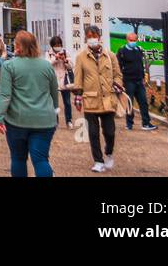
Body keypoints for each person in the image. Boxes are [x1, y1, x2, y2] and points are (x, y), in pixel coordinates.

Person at [0, 30, 59, 177]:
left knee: (18, 159)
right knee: (41, 160)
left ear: (19, 46)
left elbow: (5, 94)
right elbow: (54, 93)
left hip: (17, 120)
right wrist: (55, 112)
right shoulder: (47, 66)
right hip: (44, 121)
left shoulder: (9, 66)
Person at [70, 24, 122, 173]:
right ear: (85, 38)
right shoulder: (81, 57)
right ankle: (98, 161)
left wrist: (117, 84)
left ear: (99, 37)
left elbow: (118, 74)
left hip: (108, 99)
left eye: (94, 36)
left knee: (110, 132)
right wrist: (78, 96)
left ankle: (109, 153)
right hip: (90, 99)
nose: (92, 39)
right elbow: (78, 78)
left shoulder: (110, 55)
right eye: (89, 37)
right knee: (93, 133)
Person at [115, 32, 157, 132]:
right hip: (128, 81)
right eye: (131, 40)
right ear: (127, 40)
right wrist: (120, 81)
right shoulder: (122, 51)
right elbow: (118, 67)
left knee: (143, 102)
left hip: (139, 81)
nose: (133, 42)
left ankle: (146, 123)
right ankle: (129, 123)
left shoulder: (139, 50)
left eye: (135, 40)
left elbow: (142, 64)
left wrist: (144, 76)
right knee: (129, 103)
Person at [46, 36, 74, 128]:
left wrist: (65, 60)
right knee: (54, 103)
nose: (58, 47)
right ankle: (55, 121)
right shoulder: (48, 53)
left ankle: (69, 121)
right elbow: (47, 66)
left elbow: (71, 66)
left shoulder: (65, 52)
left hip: (65, 82)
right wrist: (55, 59)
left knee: (67, 102)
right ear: (52, 46)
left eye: (59, 45)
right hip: (53, 81)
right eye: (56, 45)